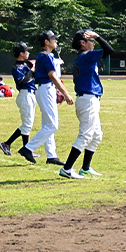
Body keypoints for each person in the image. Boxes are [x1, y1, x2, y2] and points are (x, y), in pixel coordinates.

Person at [60, 29, 113, 179]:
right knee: (86, 135)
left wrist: (96, 38)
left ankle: (85, 168)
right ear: (82, 43)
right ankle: (67, 168)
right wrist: (98, 36)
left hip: (89, 99)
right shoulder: (86, 56)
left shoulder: (82, 58)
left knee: (96, 135)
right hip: (88, 99)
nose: (93, 43)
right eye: (91, 41)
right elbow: (109, 50)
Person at [21, 30, 72, 166]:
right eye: (53, 39)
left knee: (47, 124)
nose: (55, 41)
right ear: (46, 42)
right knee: (52, 125)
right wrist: (66, 93)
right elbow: (53, 76)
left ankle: (51, 155)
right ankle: (28, 148)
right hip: (46, 89)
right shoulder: (46, 56)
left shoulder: (46, 56)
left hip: (45, 89)